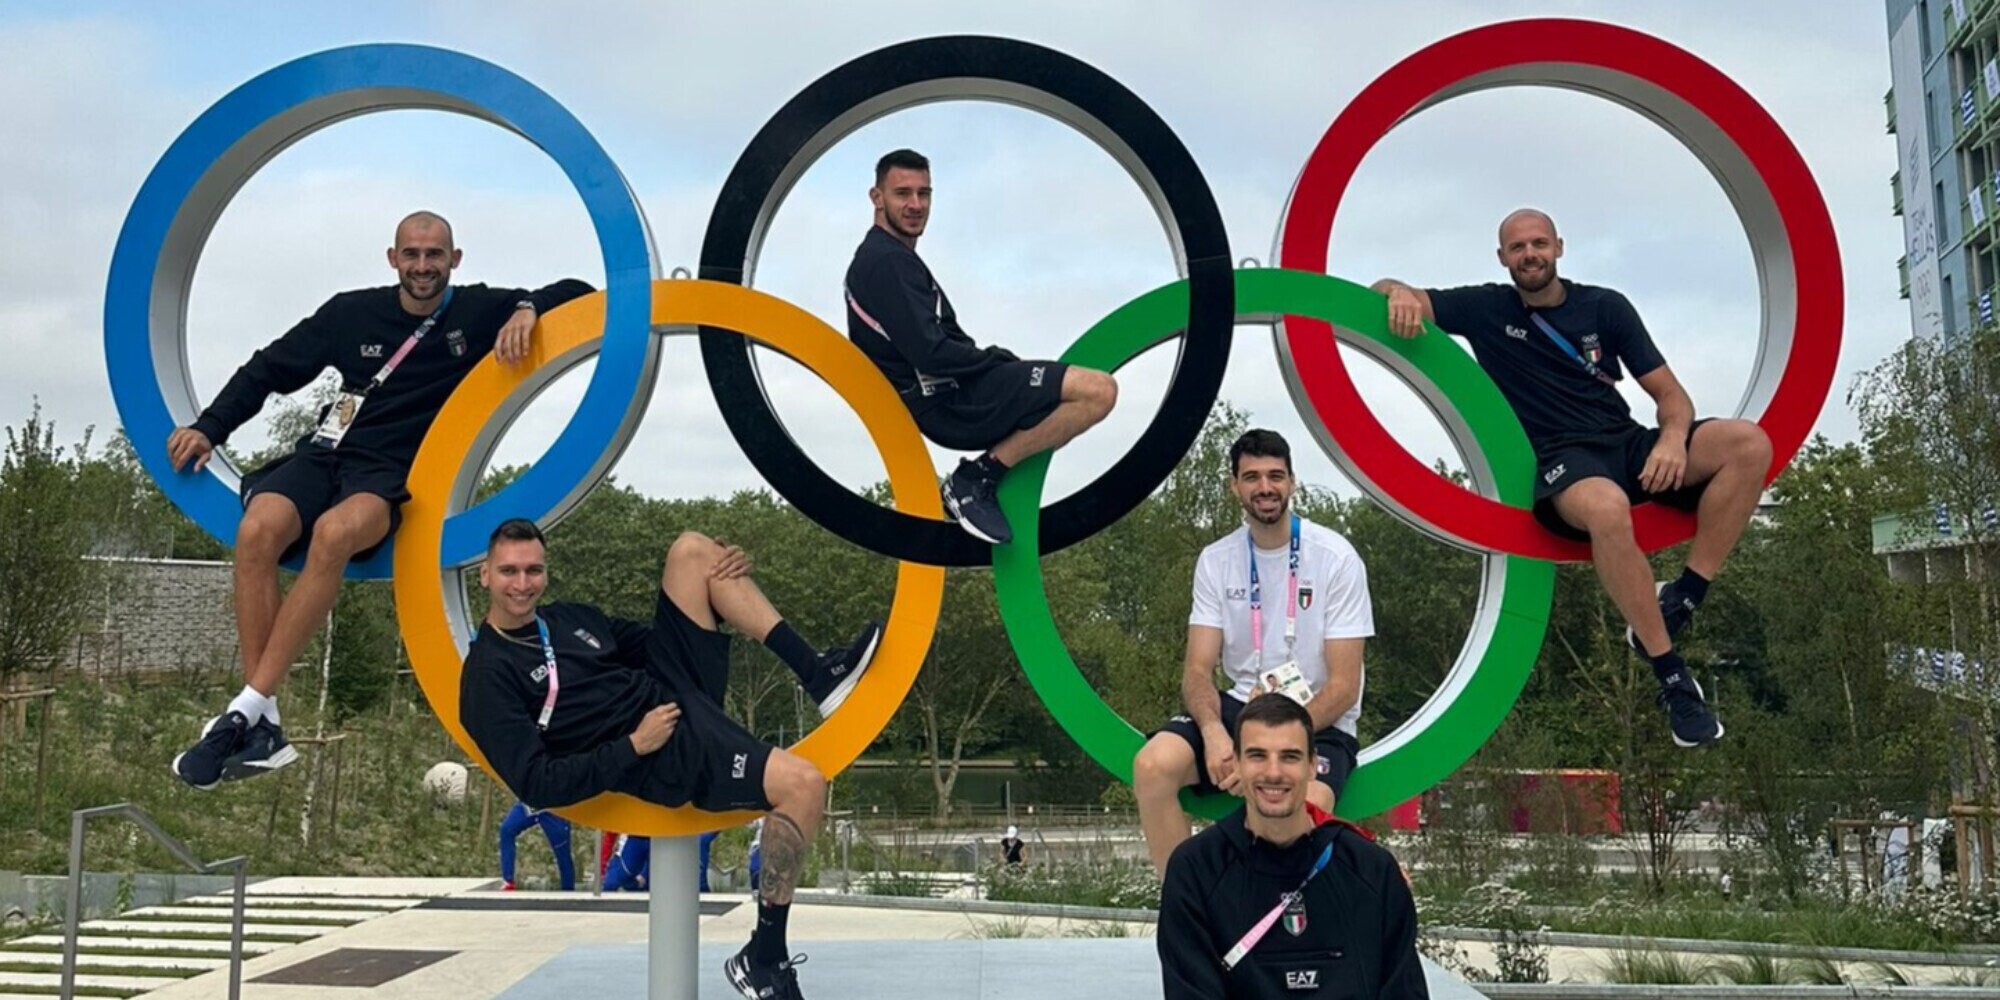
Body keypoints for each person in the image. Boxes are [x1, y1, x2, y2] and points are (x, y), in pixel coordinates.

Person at [165, 212, 593, 789]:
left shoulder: (477, 310)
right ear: (393, 259)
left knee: (334, 534)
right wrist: (209, 427)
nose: (423, 266)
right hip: (325, 455)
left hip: (388, 474)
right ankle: (261, 718)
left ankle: (246, 712)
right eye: (411, 254)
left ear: (454, 259)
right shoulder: (351, 312)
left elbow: (580, 293)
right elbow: (269, 368)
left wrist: (527, 308)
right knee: (257, 529)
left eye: (434, 255)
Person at [1371, 208, 1770, 748]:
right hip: (1563, 464)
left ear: (1559, 246)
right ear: (1502, 257)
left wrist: (1673, 439)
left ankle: (1684, 597)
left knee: (1749, 443)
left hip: (1627, 444)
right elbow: (1386, 290)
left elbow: (1671, 396)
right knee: (1607, 508)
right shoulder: (1486, 307)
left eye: (1539, 243)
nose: (1530, 255)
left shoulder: (1605, 306)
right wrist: (1396, 292)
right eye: (1518, 247)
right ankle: (1673, 679)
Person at [459, 519, 883, 1000]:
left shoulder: (567, 618)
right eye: (509, 571)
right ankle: (765, 958)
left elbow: (656, 641)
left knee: (694, 552)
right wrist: (633, 746)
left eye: (533, 570)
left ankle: (819, 674)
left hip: (669, 689)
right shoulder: (486, 675)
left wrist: (721, 591)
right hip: (662, 750)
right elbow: (537, 782)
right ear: (485, 575)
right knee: (803, 785)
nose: (522, 583)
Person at [844, 148, 1120, 544]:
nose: (915, 205)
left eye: (924, 193)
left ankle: (984, 477)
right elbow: (929, 352)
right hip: (951, 401)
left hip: (953, 395)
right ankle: (975, 480)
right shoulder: (885, 261)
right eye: (902, 193)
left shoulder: (891, 258)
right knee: (1096, 391)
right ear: (876, 197)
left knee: (1062, 404)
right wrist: (994, 361)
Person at [1133, 430, 1374, 876]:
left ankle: (1278, 913)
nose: (1265, 487)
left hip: (1317, 718)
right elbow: (1197, 670)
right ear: (1235, 486)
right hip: (1241, 707)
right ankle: (1181, 906)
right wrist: (1214, 732)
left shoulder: (1336, 558)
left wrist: (1264, 748)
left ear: (1292, 482)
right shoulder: (1216, 559)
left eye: (1275, 476)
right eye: (1252, 477)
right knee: (1152, 765)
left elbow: (1344, 686)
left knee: (1304, 806)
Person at [1158, 695, 1428, 1000]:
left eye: (1289, 756)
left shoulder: (1372, 870)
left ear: (1313, 765)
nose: (1274, 773)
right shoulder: (1196, 869)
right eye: (1258, 755)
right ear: (1237, 764)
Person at [498, 800, 575, 891]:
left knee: (563, 852)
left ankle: (568, 891)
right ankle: (508, 881)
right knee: (507, 830)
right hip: (530, 803)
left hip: (554, 809)